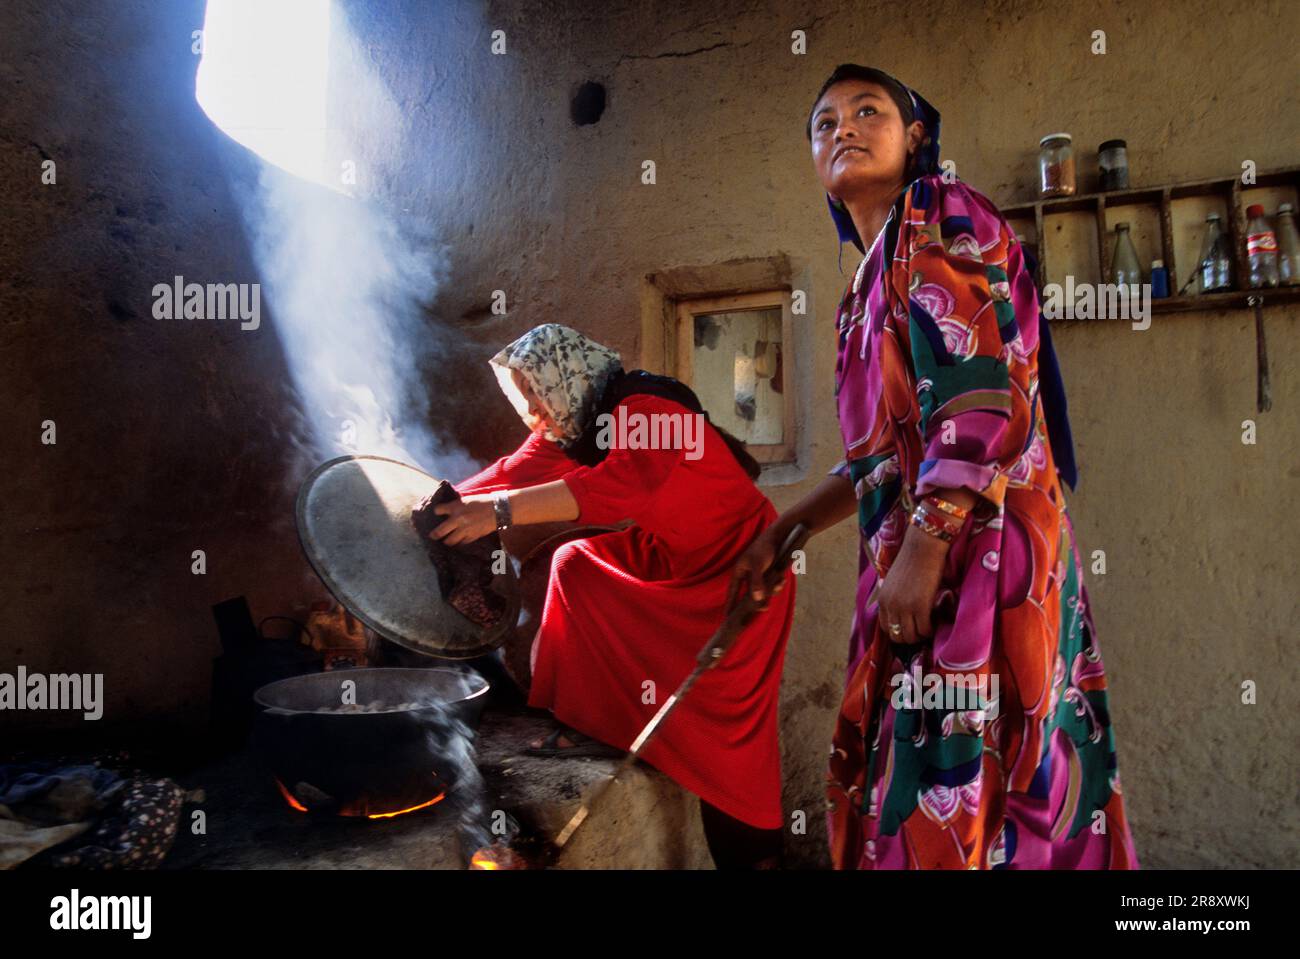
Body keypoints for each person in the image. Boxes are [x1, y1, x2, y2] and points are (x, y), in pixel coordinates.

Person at [730, 65, 1139, 869]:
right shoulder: (864, 287)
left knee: (962, 795)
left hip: (978, 553)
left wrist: (924, 549)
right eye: (823, 123)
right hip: (930, 551)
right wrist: (789, 527)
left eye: (867, 111)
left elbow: (981, 396)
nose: (841, 128)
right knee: (959, 783)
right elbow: (882, 459)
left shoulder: (938, 212)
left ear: (915, 137)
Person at [429, 323, 796, 869]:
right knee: (576, 565)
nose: (534, 411)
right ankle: (579, 720)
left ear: (566, 375)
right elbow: (511, 473)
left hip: (742, 565)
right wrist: (438, 503)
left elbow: (620, 488)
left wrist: (499, 513)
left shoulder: (647, 407)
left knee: (728, 732)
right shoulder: (579, 426)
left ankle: (756, 857)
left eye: (537, 393)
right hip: (672, 556)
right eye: (523, 398)